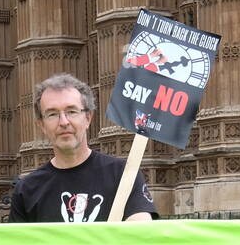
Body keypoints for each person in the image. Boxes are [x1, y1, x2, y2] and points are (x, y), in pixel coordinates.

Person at [9, 73, 157, 224]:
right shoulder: (27, 189)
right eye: (52, 114)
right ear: (42, 125)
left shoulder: (123, 175)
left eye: (71, 111)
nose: (63, 122)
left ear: (88, 118)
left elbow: (142, 232)